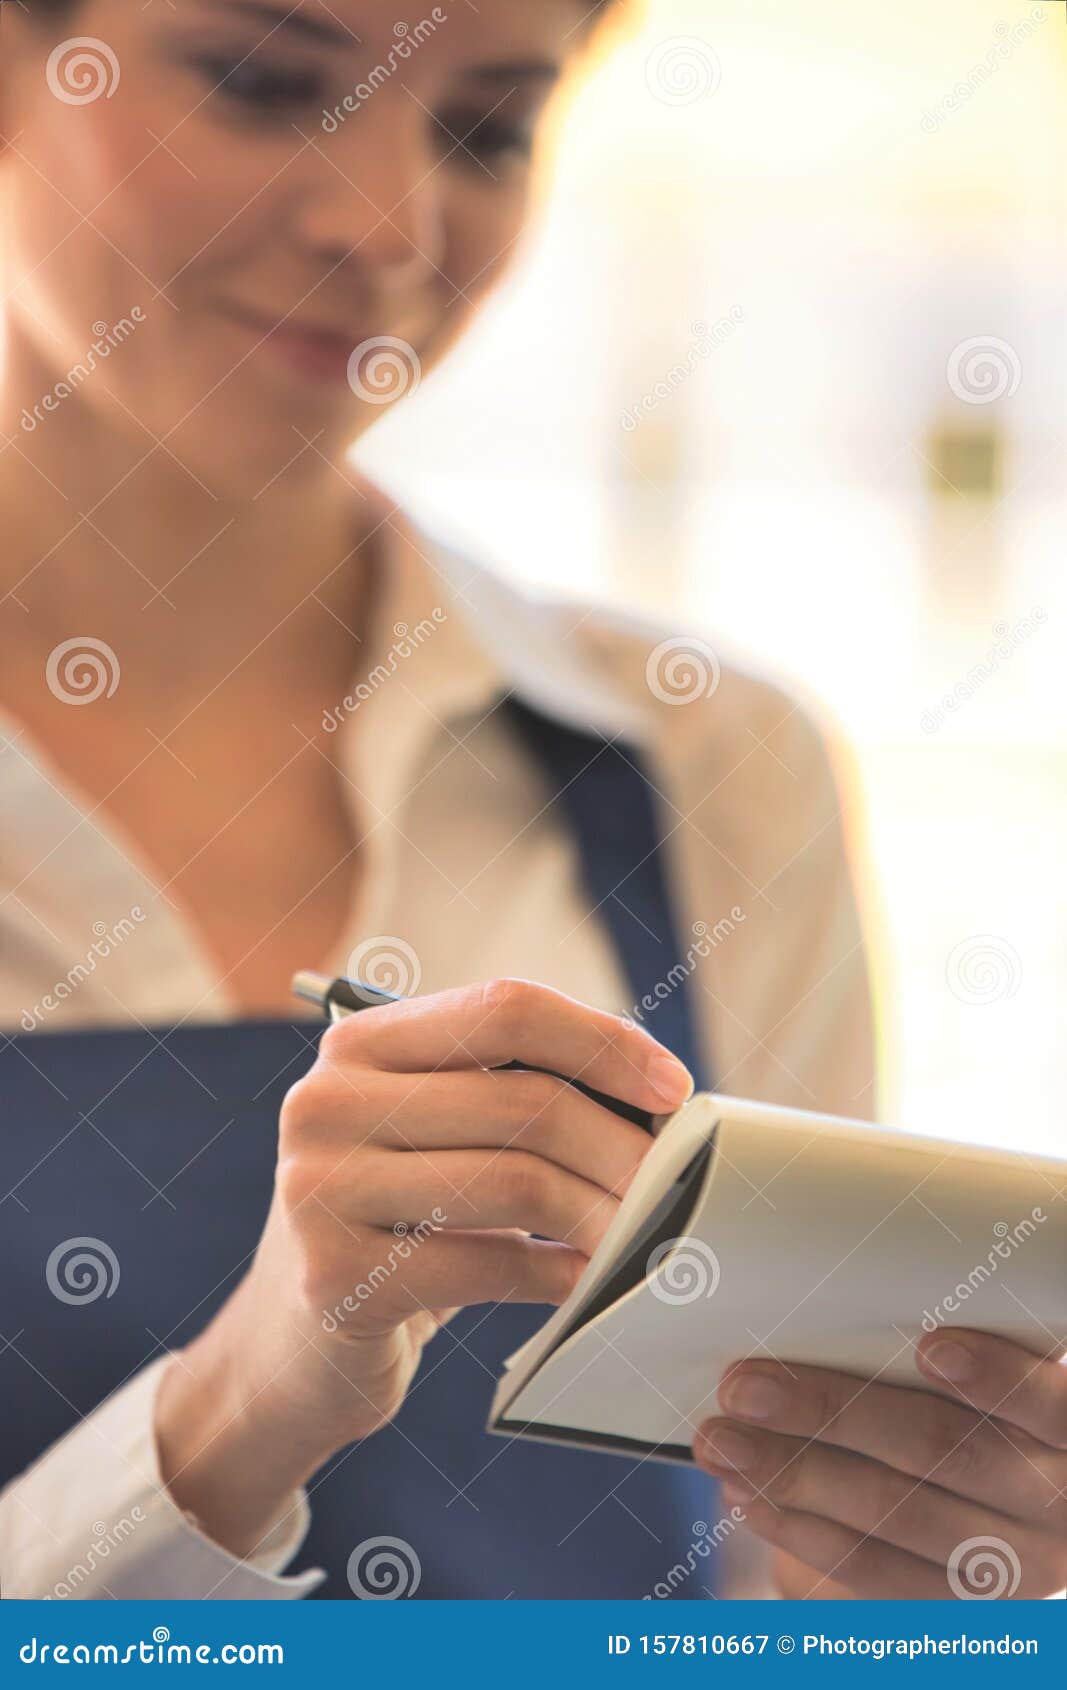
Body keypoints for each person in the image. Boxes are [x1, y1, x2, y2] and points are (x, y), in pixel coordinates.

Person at [1, 0, 1064, 1603]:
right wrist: (231, 1416)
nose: (387, 227)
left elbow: (772, 1600)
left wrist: (939, 1563)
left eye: (486, 127)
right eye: (264, 83)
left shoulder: (713, 763)